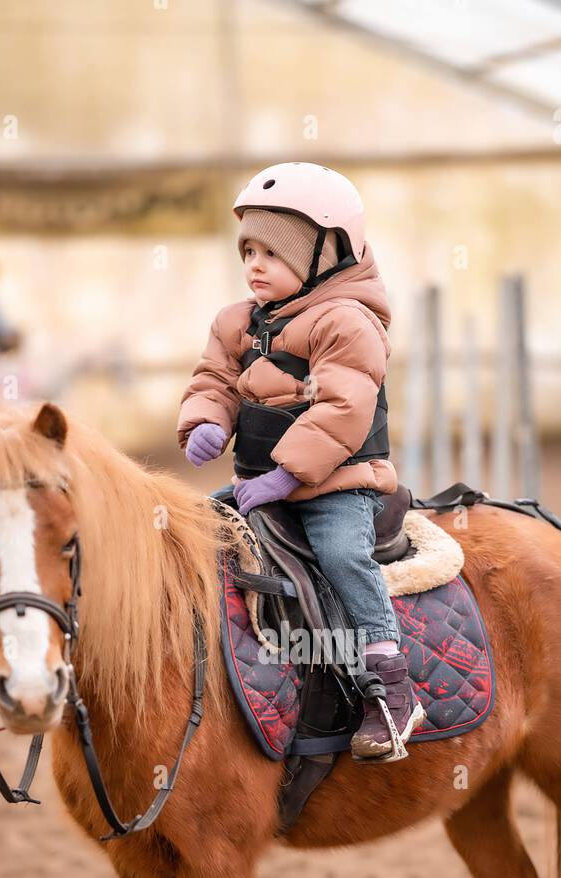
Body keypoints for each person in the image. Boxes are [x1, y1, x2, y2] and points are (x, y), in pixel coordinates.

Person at [177, 161, 423, 761]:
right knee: (188, 537)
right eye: (249, 251)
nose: (254, 265)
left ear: (328, 253)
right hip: (260, 484)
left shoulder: (347, 322)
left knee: (341, 553)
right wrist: (207, 420)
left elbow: (344, 405)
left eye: (274, 253)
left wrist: (288, 476)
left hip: (337, 486)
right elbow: (214, 379)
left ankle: (390, 685)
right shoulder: (236, 323)